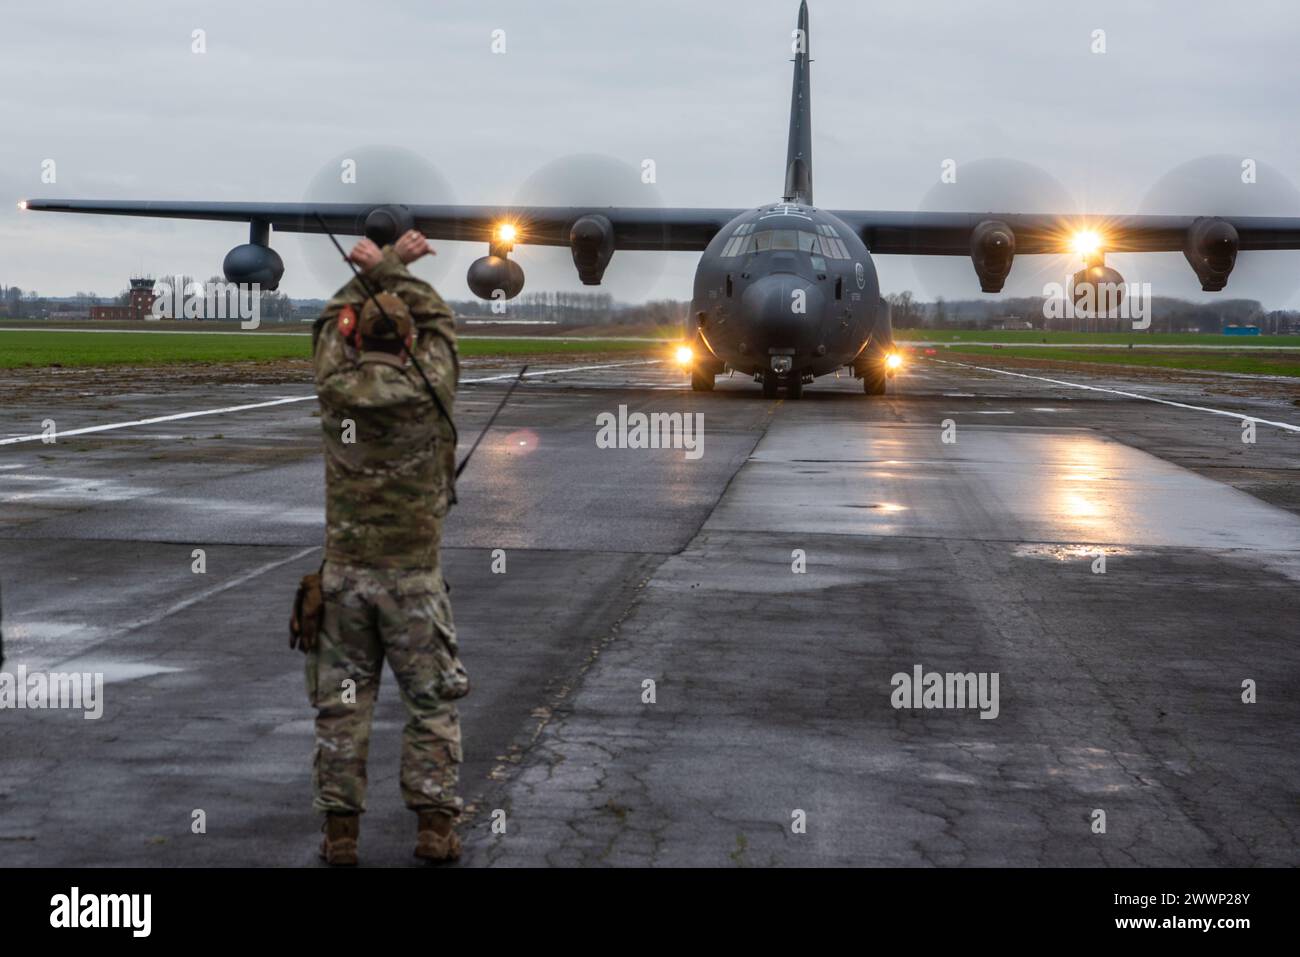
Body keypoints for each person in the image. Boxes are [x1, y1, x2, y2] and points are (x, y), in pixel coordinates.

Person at [294, 229, 467, 866]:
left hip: (344, 584)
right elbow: (442, 320)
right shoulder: (433, 389)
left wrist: (371, 269)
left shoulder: (335, 389)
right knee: (430, 707)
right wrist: (399, 268)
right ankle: (434, 830)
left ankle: (341, 839)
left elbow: (319, 326)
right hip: (415, 585)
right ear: (414, 342)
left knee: (342, 712)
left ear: (353, 336)